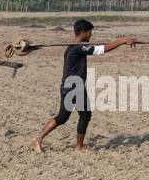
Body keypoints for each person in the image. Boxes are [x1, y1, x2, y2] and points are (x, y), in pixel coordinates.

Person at [34, 19, 138, 152]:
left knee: (64, 117)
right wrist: (122, 40)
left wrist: (123, 41)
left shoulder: (72, 47)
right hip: (73, 87)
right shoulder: (79, 47)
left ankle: (41, 139)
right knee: (82, 115)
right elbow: (101, 50)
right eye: (90, 33)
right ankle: (75, 146)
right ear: (83, 32)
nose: (91, 35)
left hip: (70, 86)